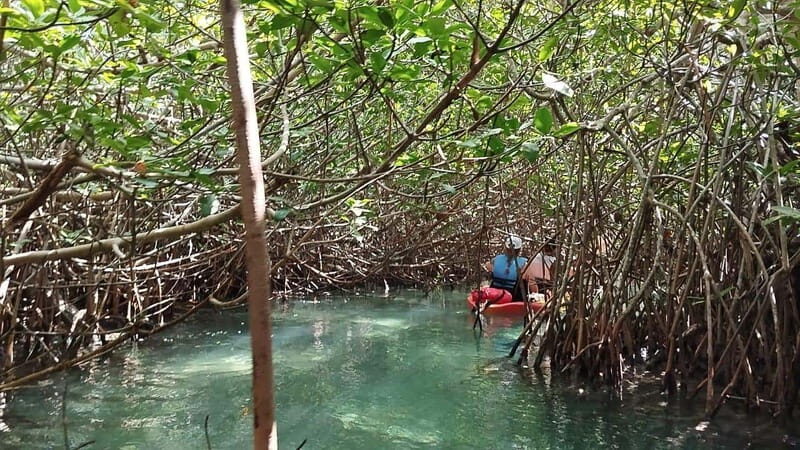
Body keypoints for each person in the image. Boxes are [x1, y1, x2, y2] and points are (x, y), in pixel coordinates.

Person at [483, 235, 528, 301]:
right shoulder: (524, 263)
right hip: (512, 295)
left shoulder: (496, 259)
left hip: (494, 291)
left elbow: (487, 266)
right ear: (519, 249)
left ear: (506, 248)